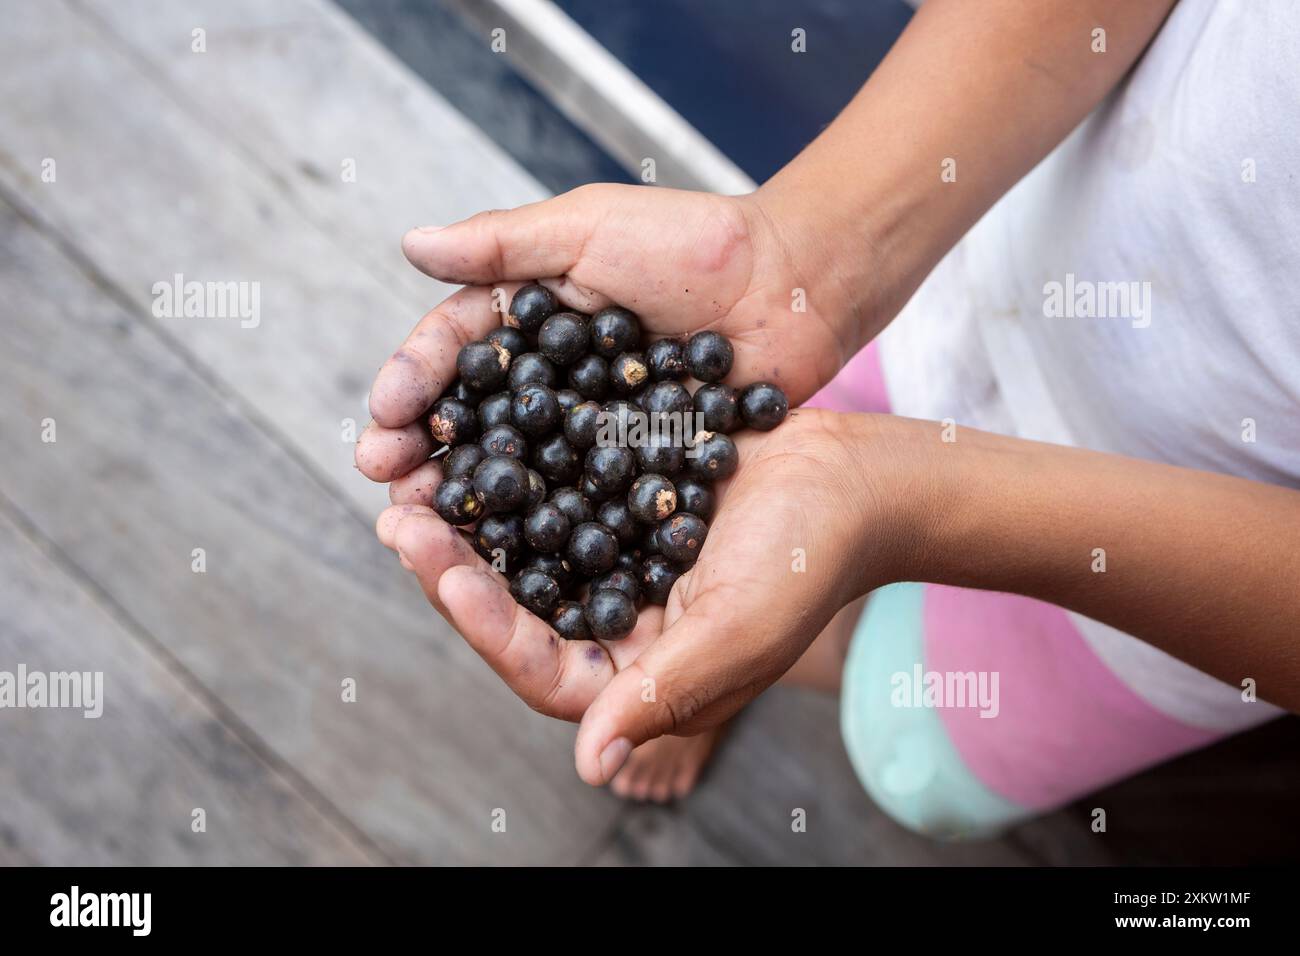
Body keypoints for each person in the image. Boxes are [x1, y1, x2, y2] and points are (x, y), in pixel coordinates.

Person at [355, 0, 1300, 834]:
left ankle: (772, 634)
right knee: (785, 464)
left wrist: (885, 495)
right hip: (988, 256)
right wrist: (801, 255)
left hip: (1193, 569)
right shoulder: (720, 382)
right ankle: (753, 637)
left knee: (917, 746)